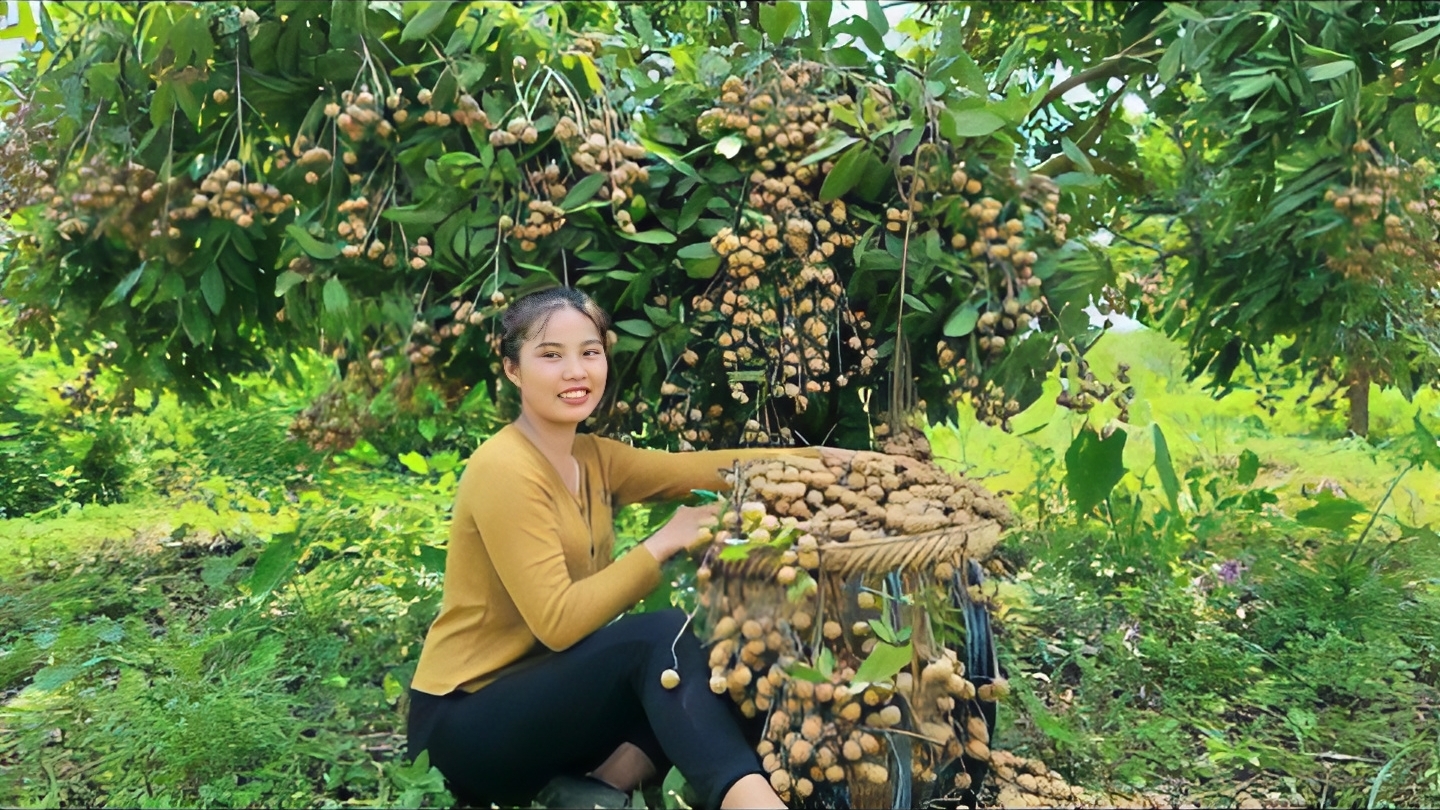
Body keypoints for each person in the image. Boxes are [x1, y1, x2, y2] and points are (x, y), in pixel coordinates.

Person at [406, 287, 840, 809]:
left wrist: (835, 462)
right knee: (660, 637)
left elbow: (702, 470)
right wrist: (663, 543)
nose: (576, 371)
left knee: (723, 652)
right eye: (551, 355)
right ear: (513, 370)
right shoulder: (505, 468)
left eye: (590, 352)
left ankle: (599, 788)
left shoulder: (591, 458)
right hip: (465, 726)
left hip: (545, 704)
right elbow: (558, 622)